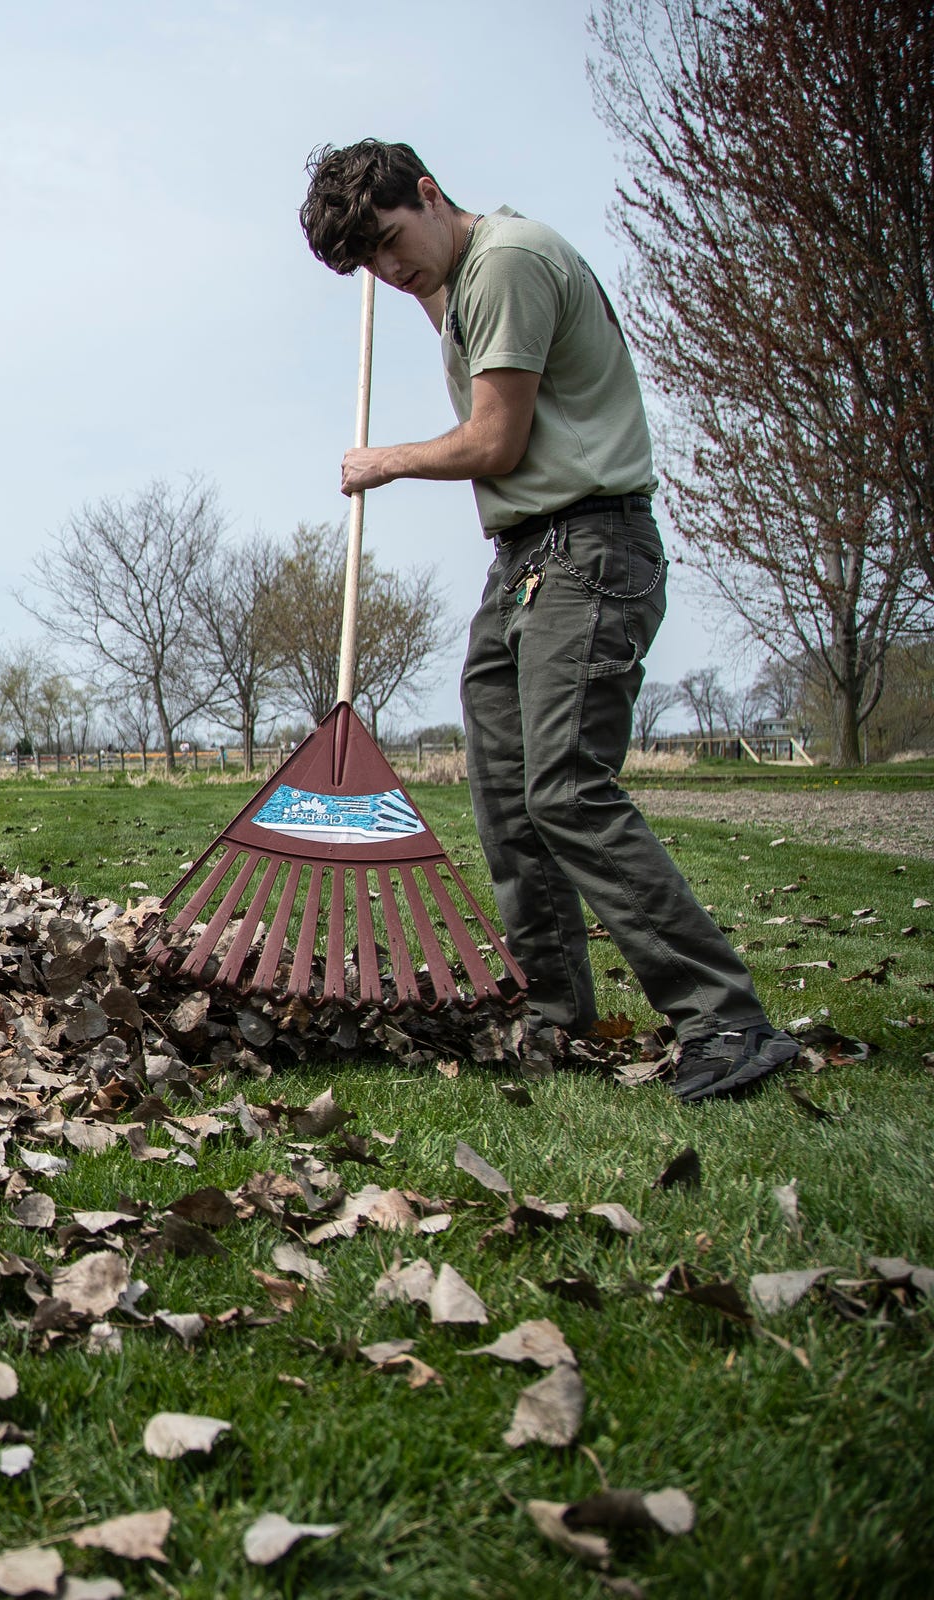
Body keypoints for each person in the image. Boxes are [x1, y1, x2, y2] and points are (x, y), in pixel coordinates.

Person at [298, 138, 797, 1103]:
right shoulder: (457, 281)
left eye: (392, 242)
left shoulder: (510, 262)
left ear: (431, 193)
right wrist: (392, 263)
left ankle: (726, 1021)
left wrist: (384, 461)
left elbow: (497, 439)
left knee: (566, 789)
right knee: (507, 797)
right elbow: (443, 305)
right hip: (525, 558)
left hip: (590, 549)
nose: (389, 271)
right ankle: (554, 1009)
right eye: (369, 263)